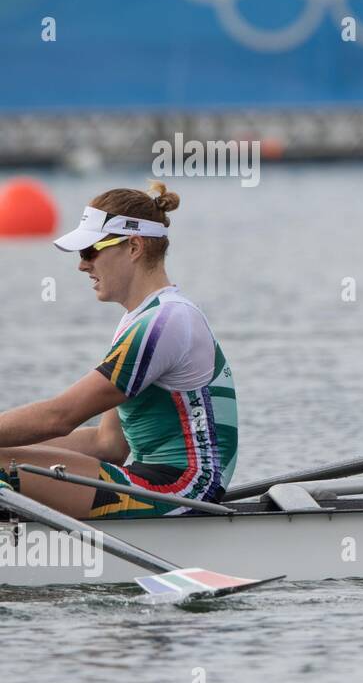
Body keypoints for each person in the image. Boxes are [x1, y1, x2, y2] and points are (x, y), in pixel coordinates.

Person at [0, 183, 238, 518]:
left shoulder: (165, 323)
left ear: (134, 247)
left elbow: (60, 416)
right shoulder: (139, 319)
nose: (82, 265)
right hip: (153, 480)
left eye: (89, 251)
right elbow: (107, 445)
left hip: (185, 490)